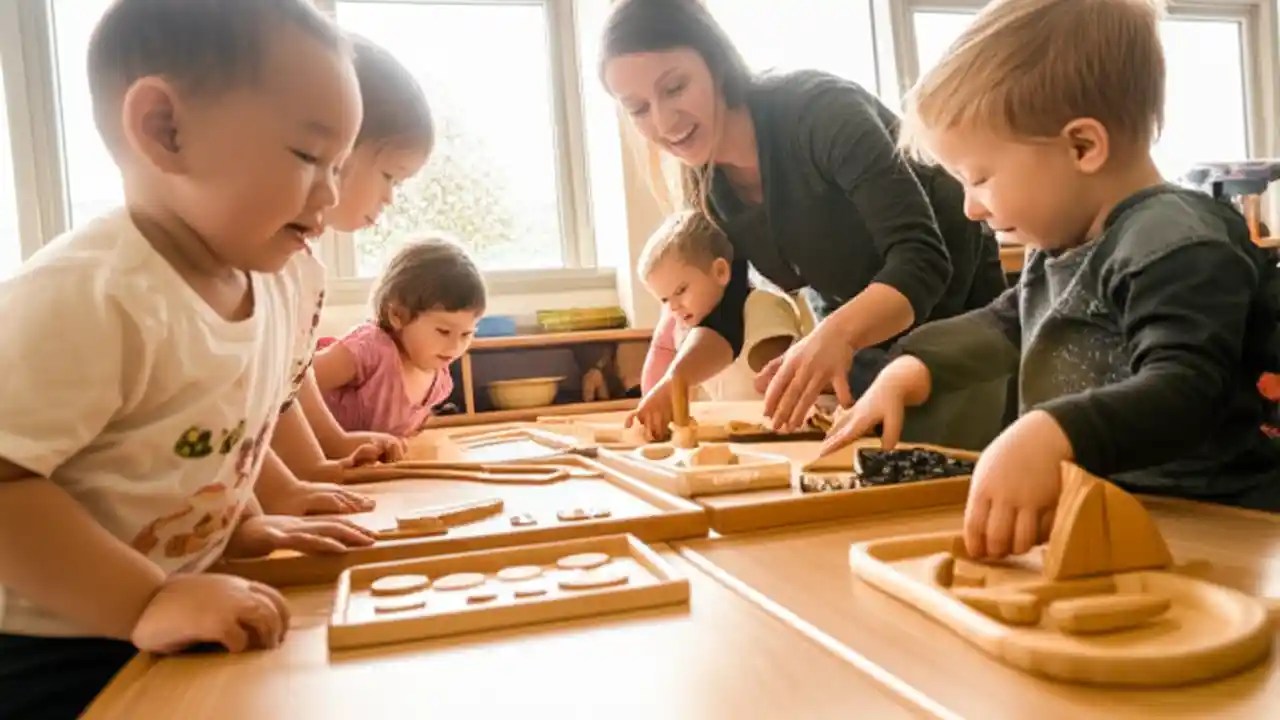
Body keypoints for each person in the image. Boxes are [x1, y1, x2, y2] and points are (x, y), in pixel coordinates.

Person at [0, 2, 378, 716]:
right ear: (165, 130)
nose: (330, 194)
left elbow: (199, 442)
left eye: (340, 165)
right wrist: (143, 598)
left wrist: (240, 523)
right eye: (307, 157)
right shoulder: (89, 295)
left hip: (170, 609)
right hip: (46, 643)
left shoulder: (272, 281)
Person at [822, 0, 1280, 561]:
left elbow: (1186, 389)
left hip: (1216, 524)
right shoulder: (1062, 246)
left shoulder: (1177, 243)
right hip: (1113, 517)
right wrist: (910, 370)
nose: (970, 208)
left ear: (1082, 146)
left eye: (981, 178)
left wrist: (1050, 432)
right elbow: (1010, 321)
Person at [599, 0, 1006, 443]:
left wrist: (836, 337)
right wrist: (673, 383)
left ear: (716, 63)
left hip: (958, 313)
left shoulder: (821, 112)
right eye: (637, 108)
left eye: (675, 87)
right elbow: (724, 316)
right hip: (864, 334)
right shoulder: (705, 178)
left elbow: (922, 260)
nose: (662, 121)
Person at [259, 33, 436, 515]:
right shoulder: (260, 259)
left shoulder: (302, 264)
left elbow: (286, 386)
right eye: (390, 177)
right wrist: (295, 483)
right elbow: (243, 404)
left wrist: (327, 451)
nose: (390, 197)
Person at [634, 210, 805, 427]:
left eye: (681, 290)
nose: (674, 307)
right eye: (665, 300)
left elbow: (790, 384)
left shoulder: (761, 305)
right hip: (737, 435)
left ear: (720, 271)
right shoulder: (683, 326)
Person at [314, 237, 485, 437]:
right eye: (443, 332)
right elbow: (292, 383)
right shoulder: (369, 349)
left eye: (467, 334)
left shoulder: (439, 377)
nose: (455, 346)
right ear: (397, 315)